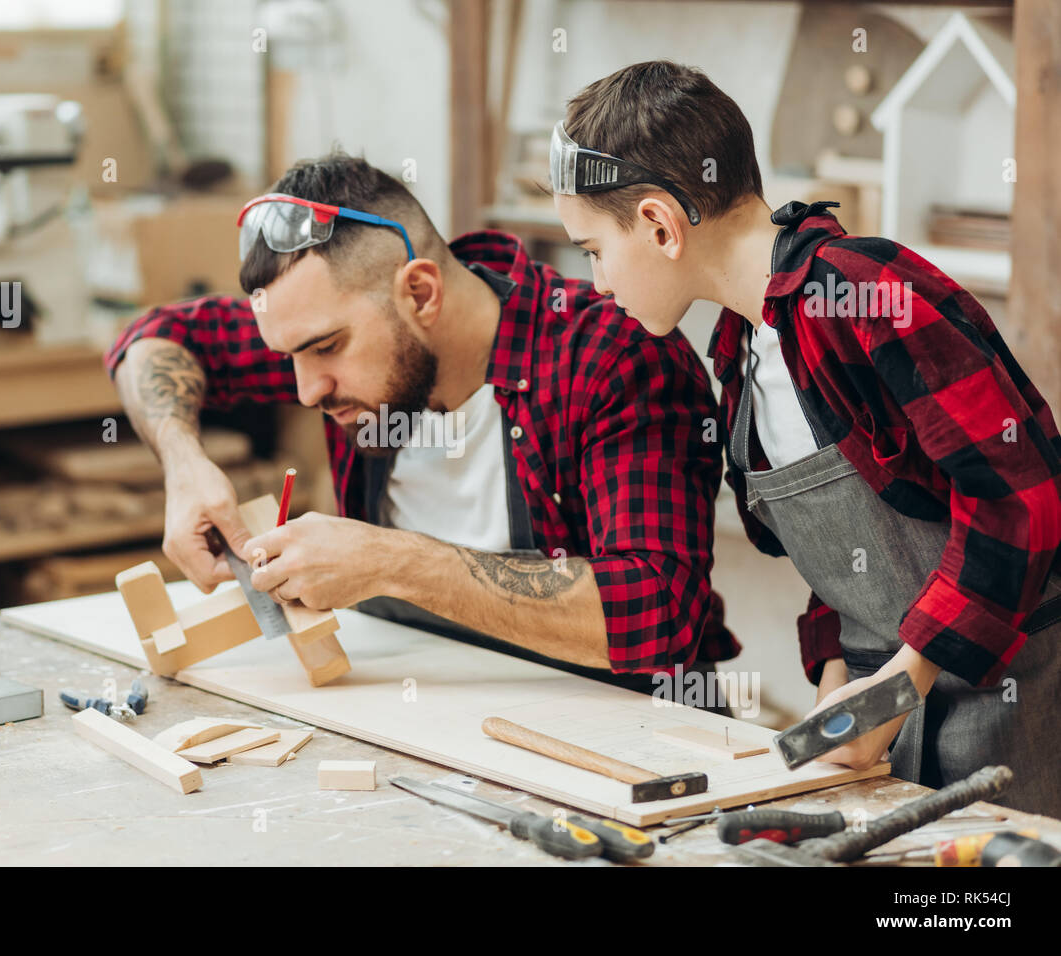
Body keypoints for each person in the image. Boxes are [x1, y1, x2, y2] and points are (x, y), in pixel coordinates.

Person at [550, 60, 1061, 814]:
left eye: (593, 249)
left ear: (659, 224)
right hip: (891, 713)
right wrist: (839, 689)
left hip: (1016, 699)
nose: (596, 281)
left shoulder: (861, 290)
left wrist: (903, 679)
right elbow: (845, 555)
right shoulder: (742, 347)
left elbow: (1024, 499)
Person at [106, 150, 736, 699]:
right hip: (425, 717)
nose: (306, 390)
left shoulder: (610, 358)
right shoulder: (333, 334)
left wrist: (392, 563)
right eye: (289, 356)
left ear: (422, 294)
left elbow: (659, 611)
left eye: (325, 348)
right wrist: (183, 462)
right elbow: (152, 337)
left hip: (618, 738)